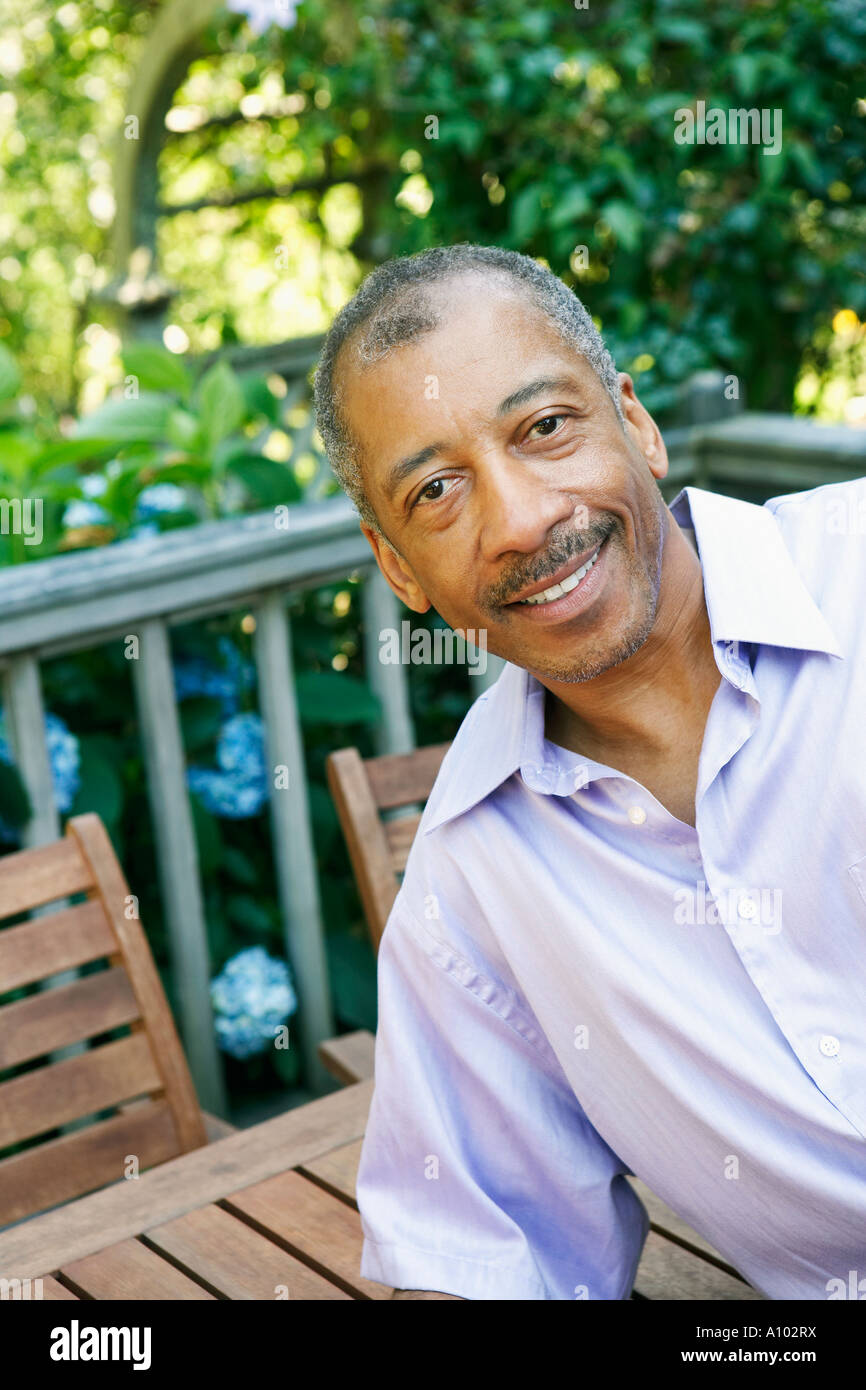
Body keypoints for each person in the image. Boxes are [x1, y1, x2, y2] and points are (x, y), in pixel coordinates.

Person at [313, 243, 866, 1300]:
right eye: (436, 489)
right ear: (399, 568)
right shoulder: (472, 875)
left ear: (636, 423)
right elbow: (481, 1256)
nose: (521, 519)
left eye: (544, 429)